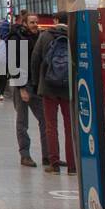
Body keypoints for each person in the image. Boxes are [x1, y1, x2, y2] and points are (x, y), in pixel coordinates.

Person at [30, 14, 74, 175]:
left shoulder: (45, 36)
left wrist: (36, 84)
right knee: (70, 126)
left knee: (51, 126)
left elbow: (35, 60)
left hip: (48, 86)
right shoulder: (73, 36)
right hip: (68, 87)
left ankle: (54, 163)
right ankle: (72, 166)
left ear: (55, 21)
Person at [10, 11, 47, 166]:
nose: (35, 25)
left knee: (44, 119)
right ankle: (25, 155)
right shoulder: (15, 38)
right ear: (24, 23)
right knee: (22, 121)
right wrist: (21, 87)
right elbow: (13, 64)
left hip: (36, 84)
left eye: (36, 22)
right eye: (32, 22)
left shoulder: (39, 37)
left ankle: (48, 155)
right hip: (22, 85)